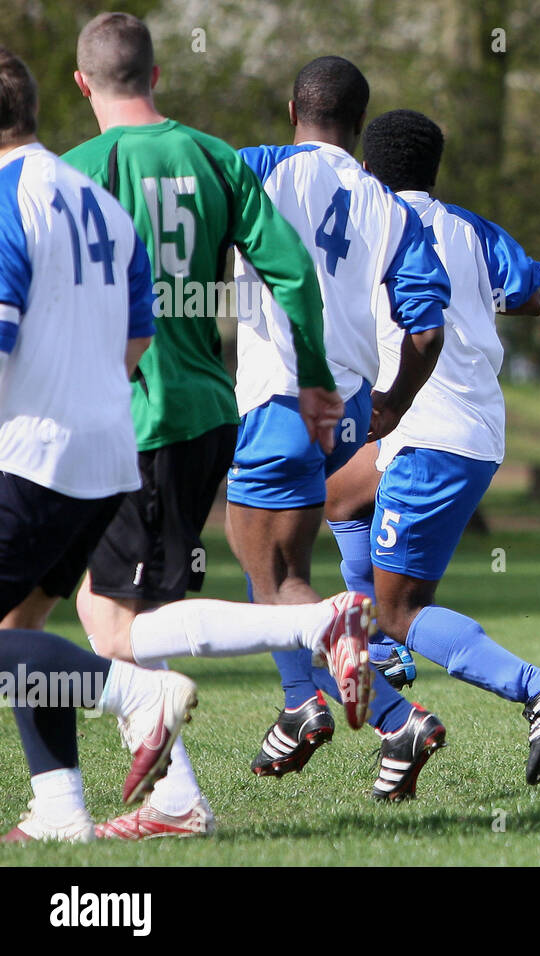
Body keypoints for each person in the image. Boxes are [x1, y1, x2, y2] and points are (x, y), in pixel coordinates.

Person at [61, 13, 374, 839]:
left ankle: (317, 621)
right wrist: (314, 380)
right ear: (157, 76)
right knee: (114, 613)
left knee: (115, 623)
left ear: (84, 84)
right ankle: (176, 802)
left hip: (135, 416)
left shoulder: (76, 171)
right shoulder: (215, 158)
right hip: (210, 410)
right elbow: (293, 273)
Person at [257, 109, 540, 793]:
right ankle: (377, 648)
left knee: (404, 606)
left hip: (427, 433)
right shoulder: (470, 228)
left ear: (367, 166)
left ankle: (536, 686)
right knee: (339, 497)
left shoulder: (366, 218)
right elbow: (532, 299)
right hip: (463, 431)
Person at [0, 46, 197, 842]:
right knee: (21, 629)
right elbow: (134, 343)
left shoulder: (8, 198)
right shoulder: (100, 201)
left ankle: (135, 694)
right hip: (108, 455)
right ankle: (60, 808)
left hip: (32, 455)